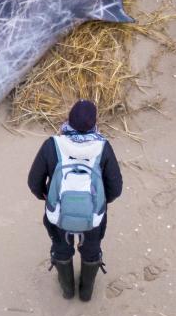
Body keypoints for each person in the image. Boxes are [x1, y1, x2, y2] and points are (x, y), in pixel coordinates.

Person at [27, 99, 123, 301]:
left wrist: (44, 196)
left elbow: (34, 181)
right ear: (94, 123)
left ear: (68, 119)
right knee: (91, 249)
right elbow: (115, 188)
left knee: (61, 248)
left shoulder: (52, 145)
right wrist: (101, 203)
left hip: (59, 212)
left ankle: (68, 290)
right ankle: (86, 293)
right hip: (93, 215)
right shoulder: (103, 147)